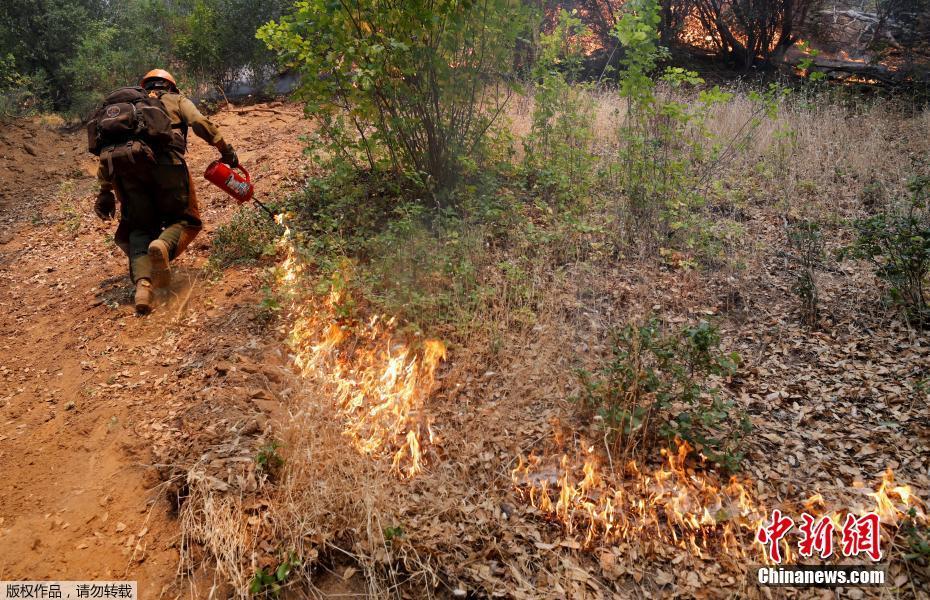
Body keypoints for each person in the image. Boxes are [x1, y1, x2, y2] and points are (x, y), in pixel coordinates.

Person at [93, 69, 239, 313]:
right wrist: (225, 149)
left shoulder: (130, 108)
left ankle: (143, 285)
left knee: (138, 228)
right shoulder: (175, 100)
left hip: (127, 174)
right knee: (186, 220)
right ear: (171, 86)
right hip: (167, 166)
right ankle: (162, 246)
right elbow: (199, 123)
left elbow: (110, 151)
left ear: (144, 85)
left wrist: (105, 189)